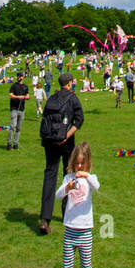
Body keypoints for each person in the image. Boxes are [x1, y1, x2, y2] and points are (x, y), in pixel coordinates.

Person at [50, 142, 99, 268]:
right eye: (77, 163)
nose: (79, 166)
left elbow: (98, 186)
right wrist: (67, 187)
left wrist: (86, 174)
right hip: (70, 230)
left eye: (82, 163)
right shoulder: (68, 178)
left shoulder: (89, 178)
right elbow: (57, 196)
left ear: (87, 163)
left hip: (85, 230)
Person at [38, 73, 84, 235]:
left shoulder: (52, 98)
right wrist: (67, 135)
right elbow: (79, 120)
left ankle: (45, 218)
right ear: (70, 83)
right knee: (69, 176)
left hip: (49, 140)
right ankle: (68, 214)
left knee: (50, 175)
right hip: (66, 142)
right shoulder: (72, 98)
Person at [8, 72, 29, 150]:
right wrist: (18, 97)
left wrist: (25, 97)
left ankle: (16, 144)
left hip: (22, 109)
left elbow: (28, 95)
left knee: (18, 128)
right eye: (18, 76)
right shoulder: (14, 86)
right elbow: (10, 95)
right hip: (14, 108)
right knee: (13, 126)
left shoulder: (25, 86)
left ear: (23, 77)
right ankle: (9, 143)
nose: (19, 77)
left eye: (20, 76)